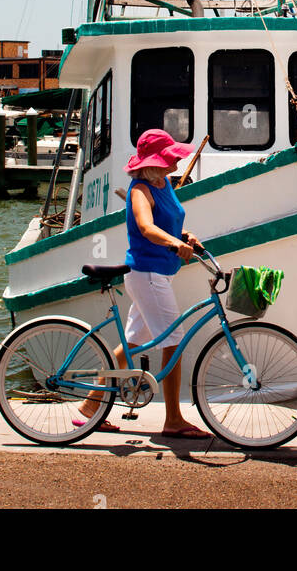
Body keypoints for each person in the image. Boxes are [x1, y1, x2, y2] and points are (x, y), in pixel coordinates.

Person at [77, 128, 210, 439]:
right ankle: (174, 419)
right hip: (148, 274)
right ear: (153, 163)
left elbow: (168, 221)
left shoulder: (163, 184)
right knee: (173, 342)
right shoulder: (140, 190)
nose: (175, 162)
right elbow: (147, 228)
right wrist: (174, 245)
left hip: (156, 274)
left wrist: (185, 236)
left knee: (131, 343)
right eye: (169, 158)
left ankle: (89, 406)